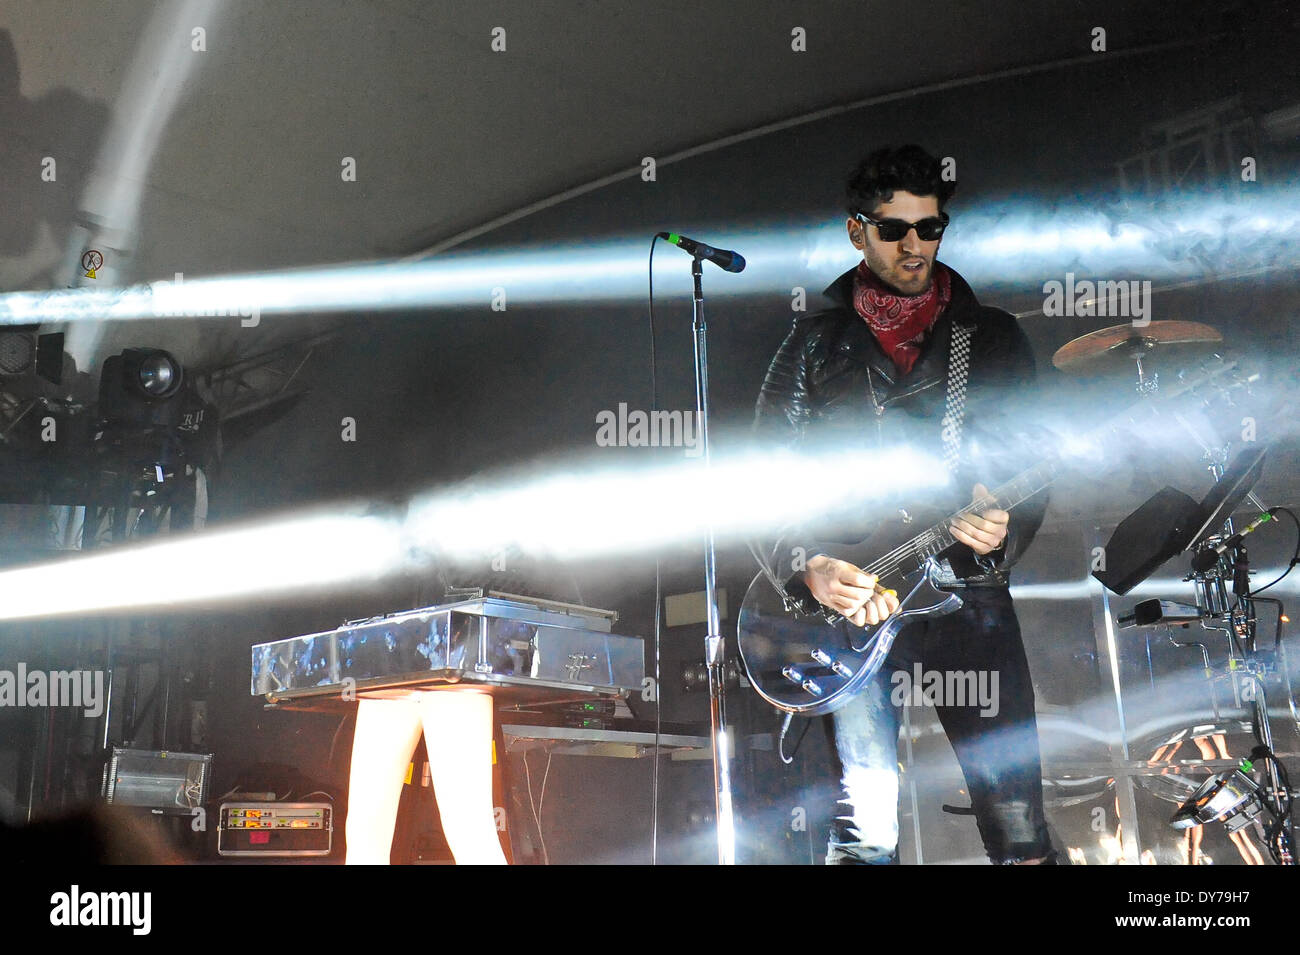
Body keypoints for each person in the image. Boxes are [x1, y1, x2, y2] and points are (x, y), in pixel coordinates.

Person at [753, 144, 1057, 864]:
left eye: (931, 227)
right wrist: (809, 566)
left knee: (1015, 815)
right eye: (894, 229)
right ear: (857, 230)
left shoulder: (991, 337)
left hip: (968, 595)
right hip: (857, 603)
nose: (915, 245)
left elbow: (1036, 459)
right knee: (866, 827)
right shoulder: (813, 342)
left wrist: (1005, 528)